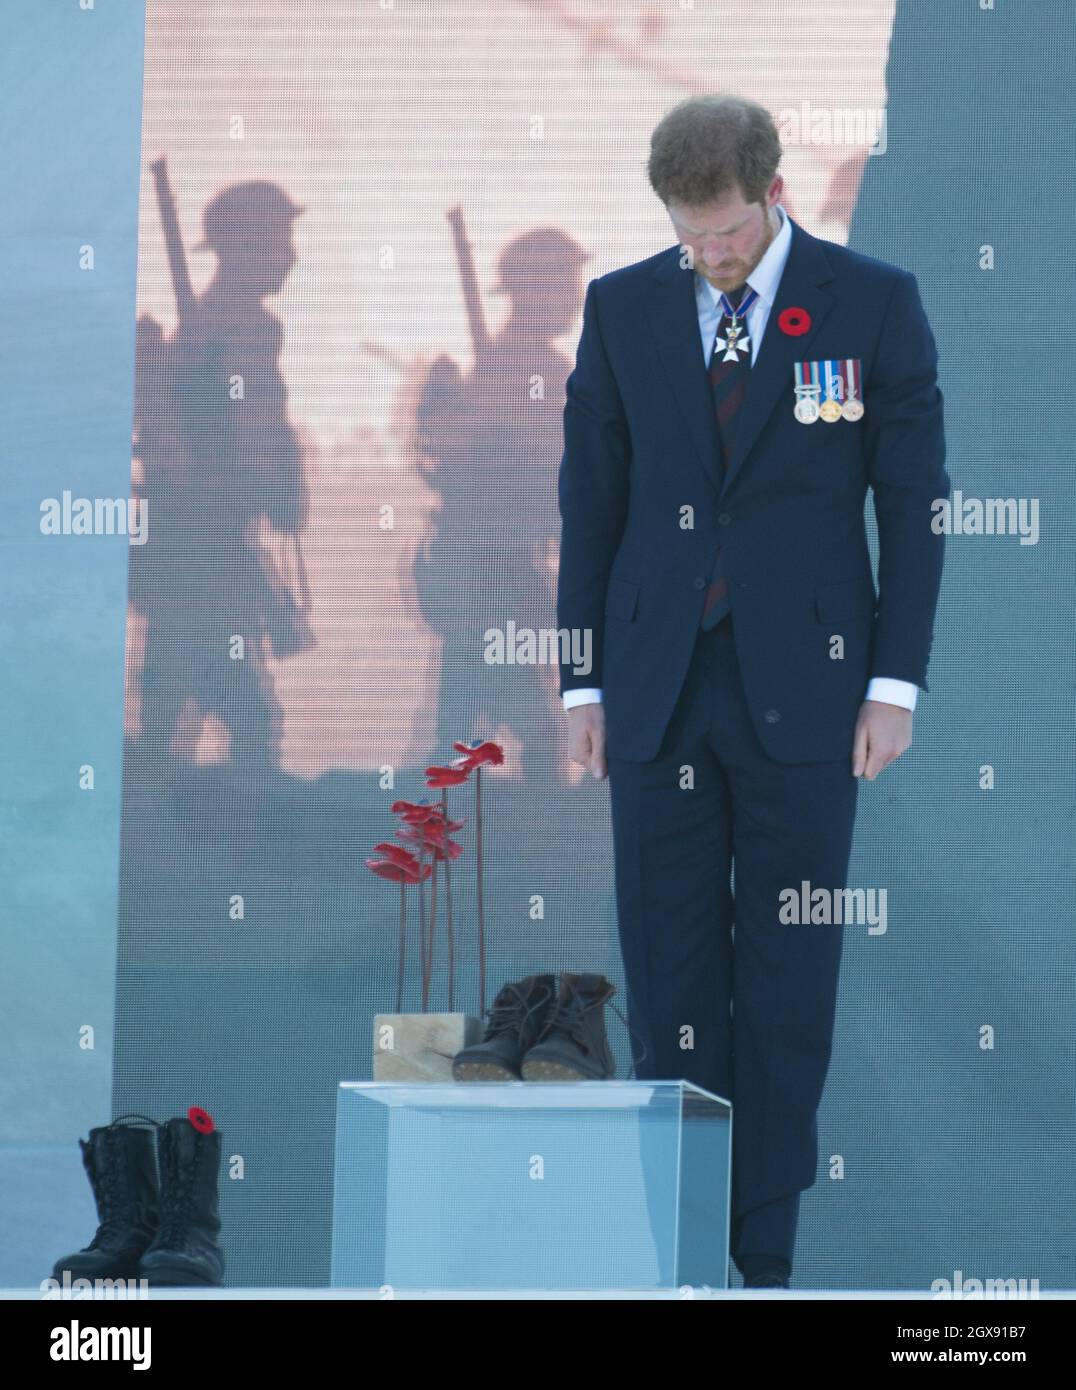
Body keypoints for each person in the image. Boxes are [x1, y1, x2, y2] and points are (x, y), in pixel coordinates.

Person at [555, 95, 948, 1287]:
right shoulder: (621, 305)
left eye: (724, 232)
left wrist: (893, 682)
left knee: (786, 981)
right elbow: (590, 502)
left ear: (773, 193)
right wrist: (580, 680)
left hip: (812, 695)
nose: (707, 255)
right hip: (654, 686)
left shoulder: (872, 300)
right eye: (688, 234)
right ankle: (678, 1245)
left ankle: (760, 1255)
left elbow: (913, 509)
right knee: (670, 977)